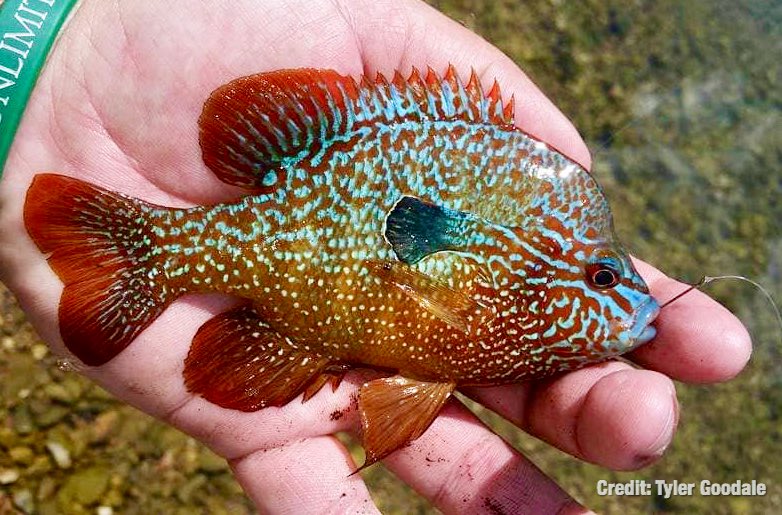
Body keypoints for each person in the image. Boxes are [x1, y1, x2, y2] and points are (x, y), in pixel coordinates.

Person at [0, 1, 751, 513]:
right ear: (553, 265)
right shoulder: (548, 207)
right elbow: (408, 230)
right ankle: (150, 249)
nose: (628, 305)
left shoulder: (550, 240)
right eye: (603, 275)